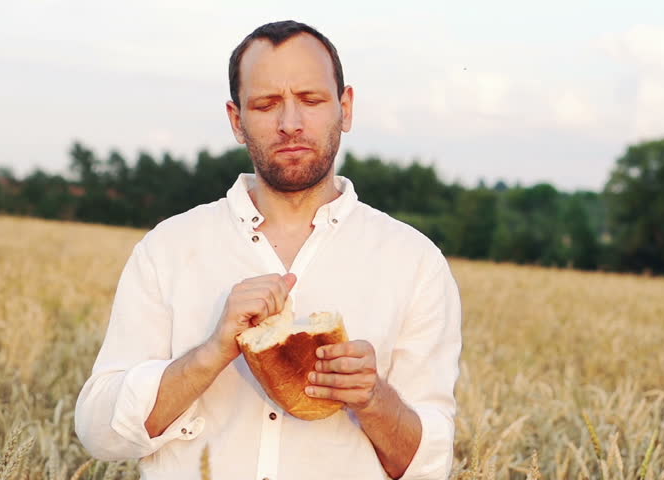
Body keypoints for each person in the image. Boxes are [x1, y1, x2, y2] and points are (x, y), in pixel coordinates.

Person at [75, 20, 461, 480]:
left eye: (311, 100)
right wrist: (210, 354)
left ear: (346, 107)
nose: (290, 123)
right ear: (237, 121)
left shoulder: (413, 262)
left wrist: (373, 397)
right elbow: (99, 432)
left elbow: (429, 466)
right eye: (266, 104)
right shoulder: (169, 248)